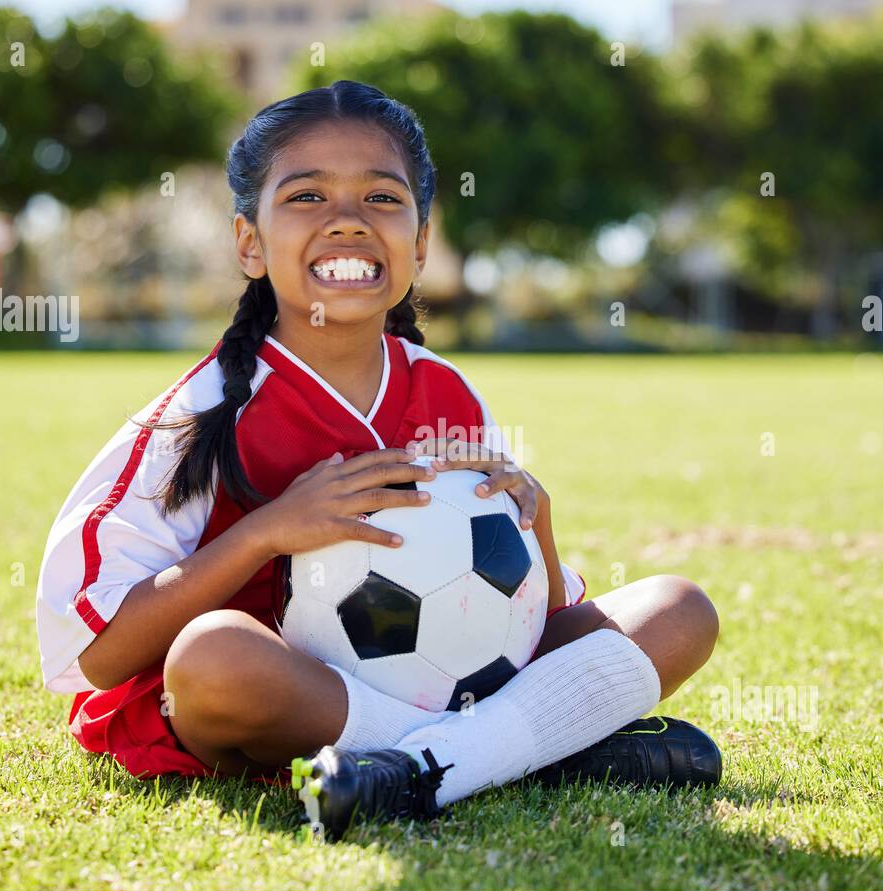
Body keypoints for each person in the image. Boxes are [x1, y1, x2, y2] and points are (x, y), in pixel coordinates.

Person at [36, 81, 721, 839]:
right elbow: (97, 655)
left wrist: (539, 525)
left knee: (678, 610)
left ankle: (414, 769)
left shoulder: (447, 393)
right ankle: (514, 752)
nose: (348, 222)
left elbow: (532, 616)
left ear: (421, 243)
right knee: (211, 656)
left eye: (382, 199)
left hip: (457, 677)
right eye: (306, 197)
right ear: (250, 243)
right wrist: (266, 532)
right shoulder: (196, 418)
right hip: (282, 701)